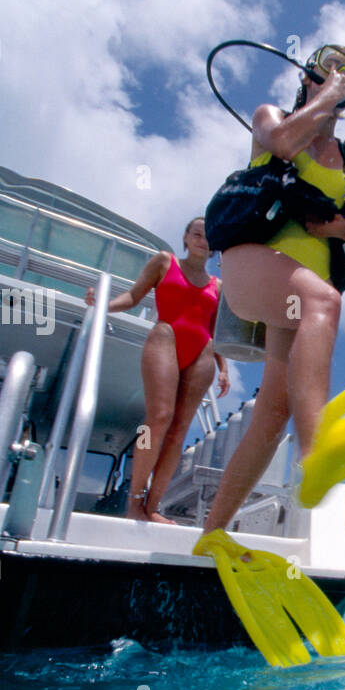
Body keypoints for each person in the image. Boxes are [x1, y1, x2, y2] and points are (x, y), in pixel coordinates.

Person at [203, 43, 345, 534]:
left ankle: (211, 534)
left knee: (273, 413)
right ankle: (318, 453)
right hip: (253, 269)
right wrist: (326, 98)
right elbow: (282, 145)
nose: (338, 75)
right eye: (329, 67)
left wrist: (336, 230)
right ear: (307, 76)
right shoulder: (274, 117)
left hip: (302, 294)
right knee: (324, 300)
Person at [86, 217, 229, 522]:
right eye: (196, 234)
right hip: (165, 338)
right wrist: (103, 303)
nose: (202, 240)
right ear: (187, 238)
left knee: (178, 433)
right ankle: (134, 500)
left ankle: (153, 507)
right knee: (159, 419)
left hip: (202, 352)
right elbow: (133, 296)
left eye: (208, 236)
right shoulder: (165, 262)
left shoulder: (218, 286)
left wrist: (224, 368)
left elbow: (216, 331)